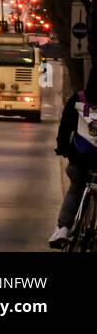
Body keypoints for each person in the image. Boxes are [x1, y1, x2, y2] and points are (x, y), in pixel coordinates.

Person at [49, 68, 97, 248]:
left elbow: (65, 128)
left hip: (80, 158)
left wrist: (63, 149)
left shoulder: (78, 99)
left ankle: (63, 228)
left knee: (76, 188)